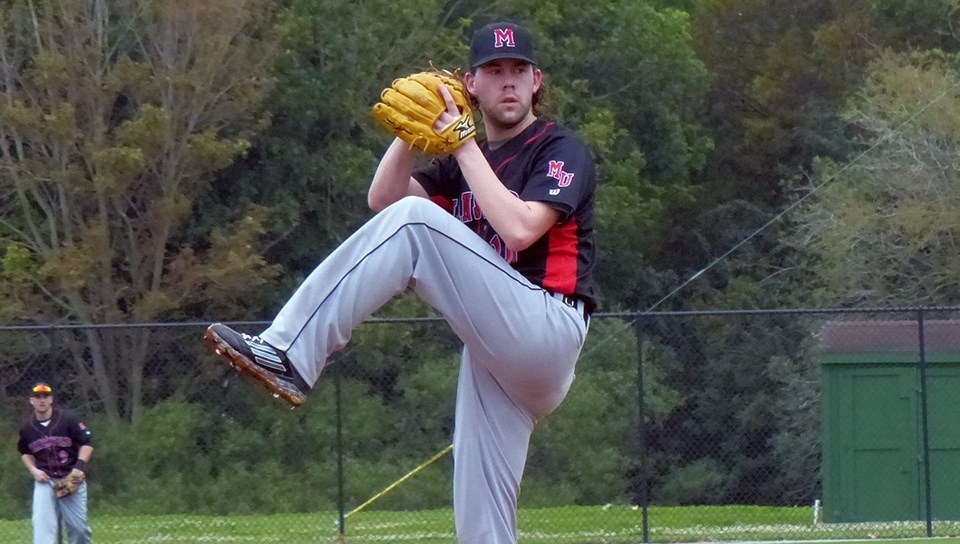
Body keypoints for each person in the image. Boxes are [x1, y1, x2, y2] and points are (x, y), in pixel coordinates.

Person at [205, 20, 597, 544]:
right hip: (496, 354)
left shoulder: (559, 148)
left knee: (416, 223)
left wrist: (460, 142)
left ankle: (289, 352)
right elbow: (382, 201)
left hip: (547, 327)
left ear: (536, 81)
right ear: (470, 84)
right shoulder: (465, 162)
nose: (508, 81)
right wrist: (410, 135)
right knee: (482, 521)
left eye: (518, 71)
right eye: (494, 71)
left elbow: (522, 230)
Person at [17, 382, 94, 544]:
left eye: (45, 396)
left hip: (70, 477)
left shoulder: (67, 419)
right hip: (45, 481)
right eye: (37, 397)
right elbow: (25, 452)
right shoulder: (27, 428)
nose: (42, 400)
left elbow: (87, 443)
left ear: (51, 399)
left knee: (79, 529)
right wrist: (34, 470)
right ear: (31, 401)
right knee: (42, 528)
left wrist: (78, 468)